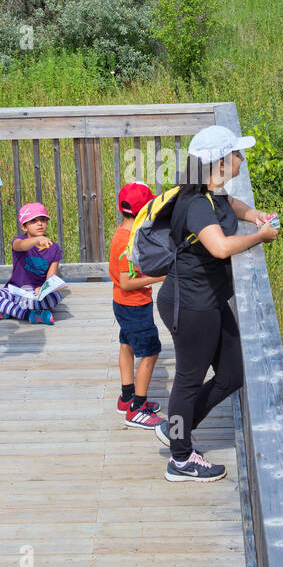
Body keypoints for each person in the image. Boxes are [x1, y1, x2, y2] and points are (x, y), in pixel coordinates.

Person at [155, 125, 279, 482]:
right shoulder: (196, 204)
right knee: (189, 380)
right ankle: (180, 459)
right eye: (237, 153)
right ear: (221, 162)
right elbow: (220, 247)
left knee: (231, 373)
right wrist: (260, 236)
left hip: (207, 300)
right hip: (190, 305)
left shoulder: (210, 193)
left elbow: (229, 206)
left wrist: (253, 215)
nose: (242, 158)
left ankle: (178, 427)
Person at [109, 182, 166, 430]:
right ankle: (137, 409)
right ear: (143, 211)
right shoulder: (126, 241)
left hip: (122, 304)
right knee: (151, 352)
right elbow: (126, 282)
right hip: (134, 304)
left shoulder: (124, 232)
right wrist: (162, 276)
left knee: (127, 344)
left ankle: (127, 396)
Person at [0, 203, 65, 324]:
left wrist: (44, 289)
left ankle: (5, 310)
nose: (39, 223)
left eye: (43, 220)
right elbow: (20, 246)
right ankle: (28, 314)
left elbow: (51, 277)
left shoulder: (54, 248)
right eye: (33, 220)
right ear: (24, 227)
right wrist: (36, 240)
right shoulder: (19, 241)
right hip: (14, 291)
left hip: (35, 294)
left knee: (56, 297)